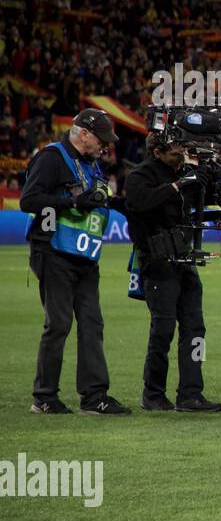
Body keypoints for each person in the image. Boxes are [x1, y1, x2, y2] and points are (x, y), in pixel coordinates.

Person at [20, 107, 130, 415]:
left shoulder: (91, 163)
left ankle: (95, 396)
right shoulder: (52, 158)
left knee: (92, 324)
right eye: (101, 138)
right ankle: (44, 397)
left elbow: (98, 200)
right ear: (82, 133)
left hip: (84, 255)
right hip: (54, 252)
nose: (105, 145)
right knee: (59, 324)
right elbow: (29, 200)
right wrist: (71, 201)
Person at [124, 133, 221, 413]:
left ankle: (191, 394)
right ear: (157, 151)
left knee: (195, 328)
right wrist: (178, 185)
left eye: (183, 150)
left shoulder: (186, 174)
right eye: (176, 151)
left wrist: (209, 179)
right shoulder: (139, 176)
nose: (181, 156)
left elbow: (205, 203)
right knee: (163, 330)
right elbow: (140, 204)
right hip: (157, 262)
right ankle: (152, 394)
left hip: (184, 260)